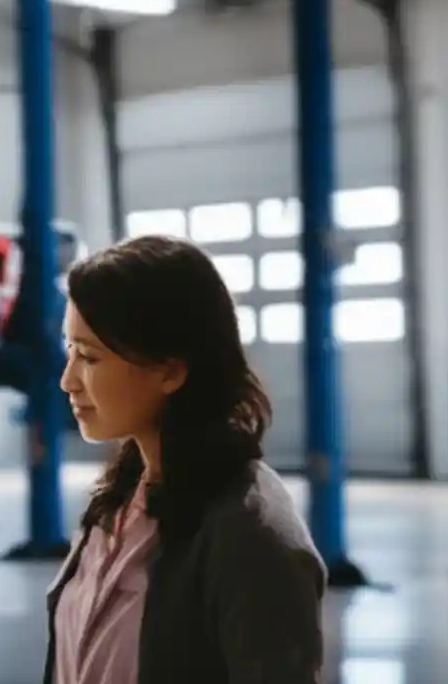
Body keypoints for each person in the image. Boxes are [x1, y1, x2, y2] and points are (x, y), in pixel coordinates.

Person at [44, 235, 326, 684]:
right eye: (70, 350)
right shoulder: (118, 500)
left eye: (90, 358)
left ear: (171, 370)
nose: (68, 381)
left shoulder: (249, 535)